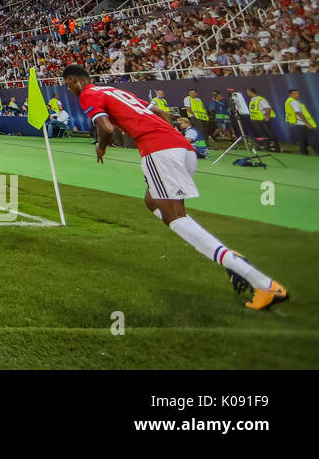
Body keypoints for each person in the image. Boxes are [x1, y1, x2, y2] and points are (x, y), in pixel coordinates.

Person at [62, 65, 287, 311]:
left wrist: (101, 146)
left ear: (73, 80)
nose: (69, 90)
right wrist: (169, 137)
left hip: (159, 151)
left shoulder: (88, 94)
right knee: (152, 200)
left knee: (176, 218)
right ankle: (234, 261)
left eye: (67, 85)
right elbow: (162, 113)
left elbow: (106, 128)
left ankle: (257, 279)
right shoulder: (113, 90)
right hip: (181, 147)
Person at [284, 89, 316, 155]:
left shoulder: (290, 101)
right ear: (290, 94)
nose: (297, 95)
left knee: (303, 140)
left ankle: (304, 154)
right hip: (302, 124)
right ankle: (305, 154)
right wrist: (307, 124)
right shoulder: (293, 102)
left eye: (297, 93)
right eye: (294, 93)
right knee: (306, 140)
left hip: (299, 124)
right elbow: (298, 113)